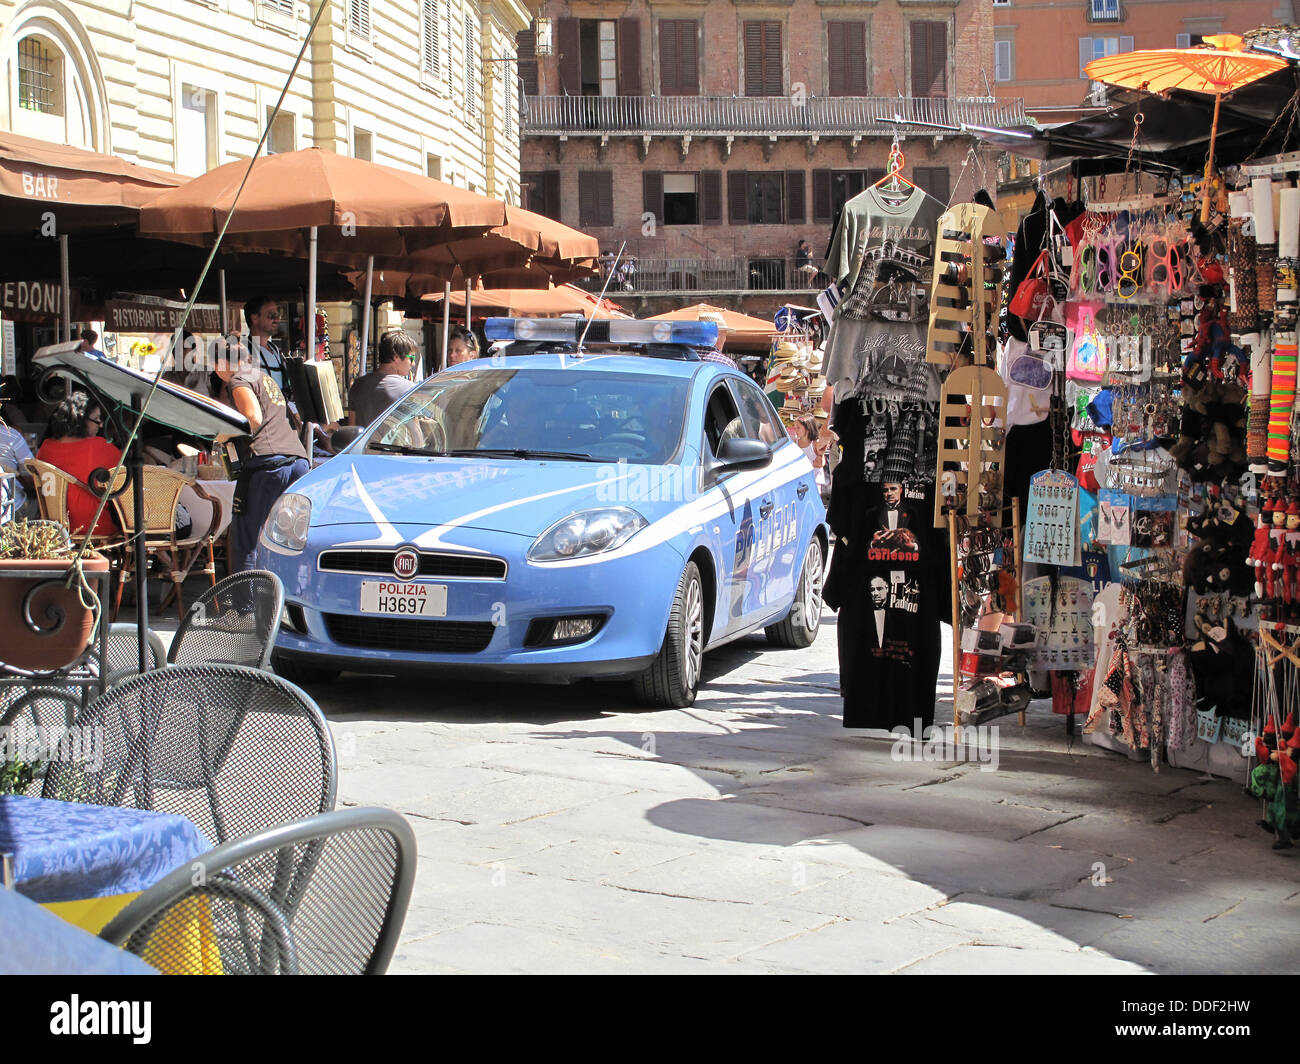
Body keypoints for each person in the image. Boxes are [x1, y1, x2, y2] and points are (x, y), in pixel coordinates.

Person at [215, 340, 309, 573]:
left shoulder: (239, 379)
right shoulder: (265, 378)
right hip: (297, 460)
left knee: (246, 540)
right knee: (285, 541)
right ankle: (284, 593)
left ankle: (246, 596)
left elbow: (253, 418)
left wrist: (221, 436)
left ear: (221, 363)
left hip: (268, 463)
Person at [34, 393, 122, 537]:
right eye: (96, 419)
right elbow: (125, 477)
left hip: (55, 529)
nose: (100, 424)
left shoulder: (46, 447)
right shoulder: (99, 446)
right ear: (81, 420)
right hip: (95, 525)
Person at [350, 330, 419, 428]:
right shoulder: (409, 390)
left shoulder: (358, 385)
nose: (413, 364)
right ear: (396, 357)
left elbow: (352, 429)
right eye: (411, 358)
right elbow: (415, 431)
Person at [243, 295, 289, 395]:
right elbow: (227, 395)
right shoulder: (243, 349)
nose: (277, 319)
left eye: (278, 315)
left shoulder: (274, 349)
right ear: (255, 318)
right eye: (272, 315)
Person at [0, 411, 36, 520]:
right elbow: (31, 473)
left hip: (6, 508)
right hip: (9, 509)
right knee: (37, 501)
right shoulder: (11, 435)